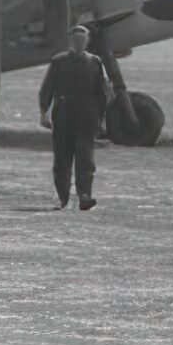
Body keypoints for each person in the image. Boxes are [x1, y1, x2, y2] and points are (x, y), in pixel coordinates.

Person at [39, 25, 114, 210]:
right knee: (62, 159)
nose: (80, 43)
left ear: (87, 41)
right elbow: (46, 89)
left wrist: (102, 119)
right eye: (76, 40)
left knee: (85, 157)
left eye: (83, 39)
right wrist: (44, 113)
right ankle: (62, 197)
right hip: (63, 113)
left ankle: (84, 196)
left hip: (87, 114)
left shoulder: (95, 62)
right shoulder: (59, 62)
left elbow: (101, 93)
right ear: (71, 41)